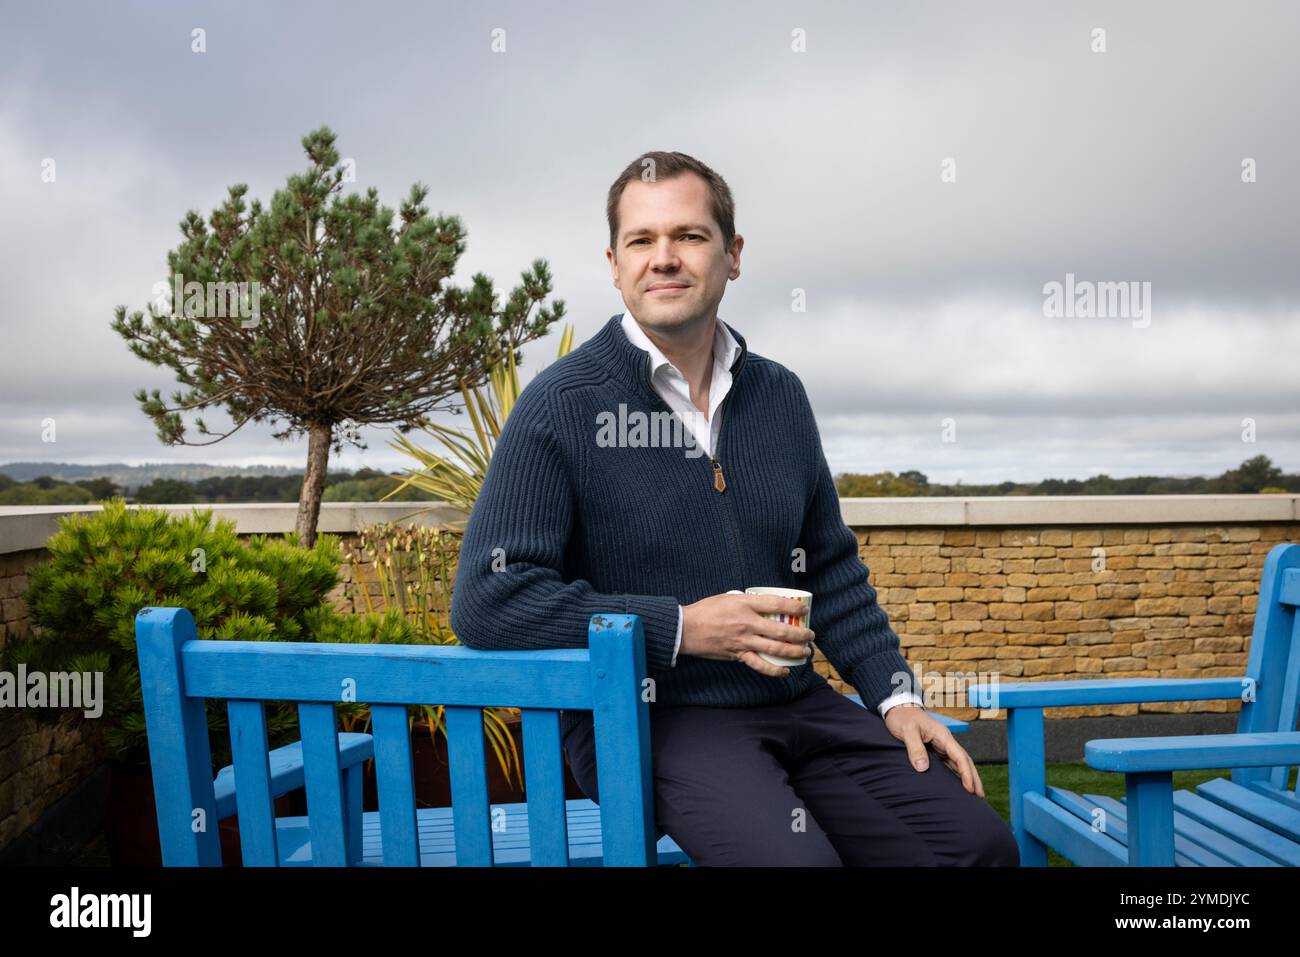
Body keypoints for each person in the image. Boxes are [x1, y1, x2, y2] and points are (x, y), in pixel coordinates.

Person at [449, 150, 1019, 866]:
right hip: (657, 717)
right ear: (614, 262)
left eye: (688, 236)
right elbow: (489, 599)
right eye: (642, 240)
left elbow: (832, 570)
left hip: (799, 706)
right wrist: (683, 627)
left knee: (977, 847)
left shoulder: (780, 396)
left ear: (733, 254)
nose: (665, 258)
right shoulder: (561, 406)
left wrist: (895, 695)